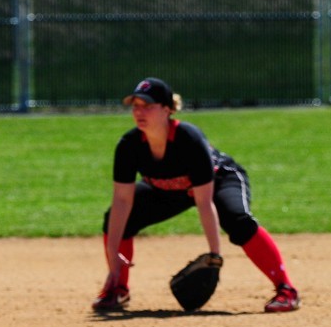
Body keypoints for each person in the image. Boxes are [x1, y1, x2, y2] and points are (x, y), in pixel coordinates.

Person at [92, 77, 301, 314]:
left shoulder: (189, 139)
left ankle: (286, 289)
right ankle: (117, 288)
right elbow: (122, 201)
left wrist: (215, 255)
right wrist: (113, 263)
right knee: (116, 218)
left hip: (219, 180)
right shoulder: (129, 145)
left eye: (147, 106)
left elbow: (204, 200)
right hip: (169, 190)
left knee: (238, 220)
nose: (139, 112)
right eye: (135, 106)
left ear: (167, 109)